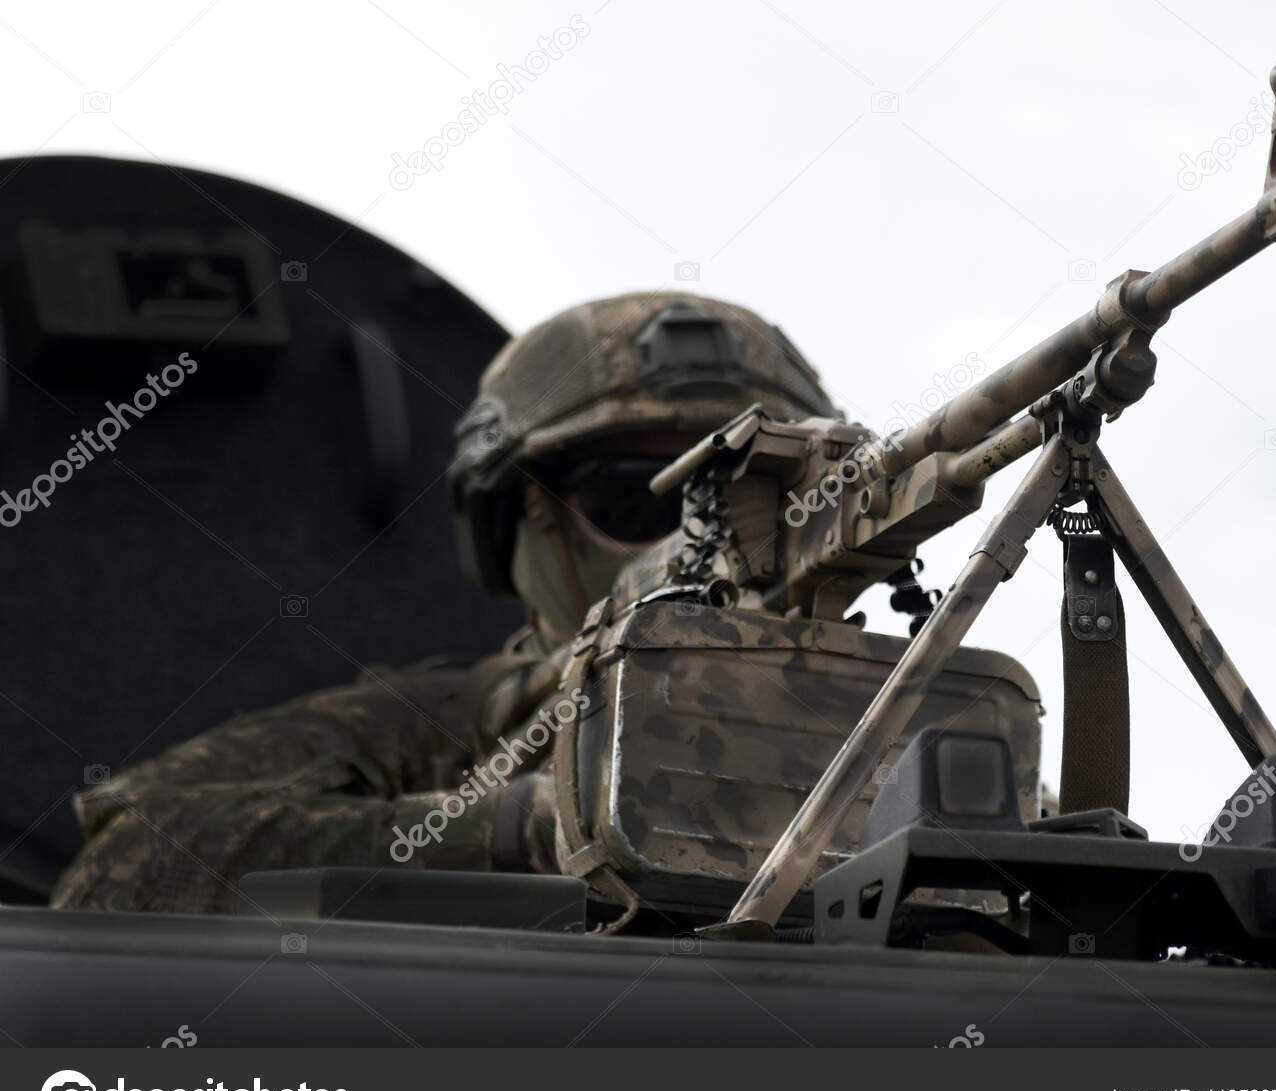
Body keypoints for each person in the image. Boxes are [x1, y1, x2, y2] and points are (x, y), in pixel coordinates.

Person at [51, 291, 842, 914]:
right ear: (517, 525)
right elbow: (129, 863)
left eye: (763, 504)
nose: (706, 541)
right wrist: (531, 827)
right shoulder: (429, 729)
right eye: (637, 501)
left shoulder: (897, 720)